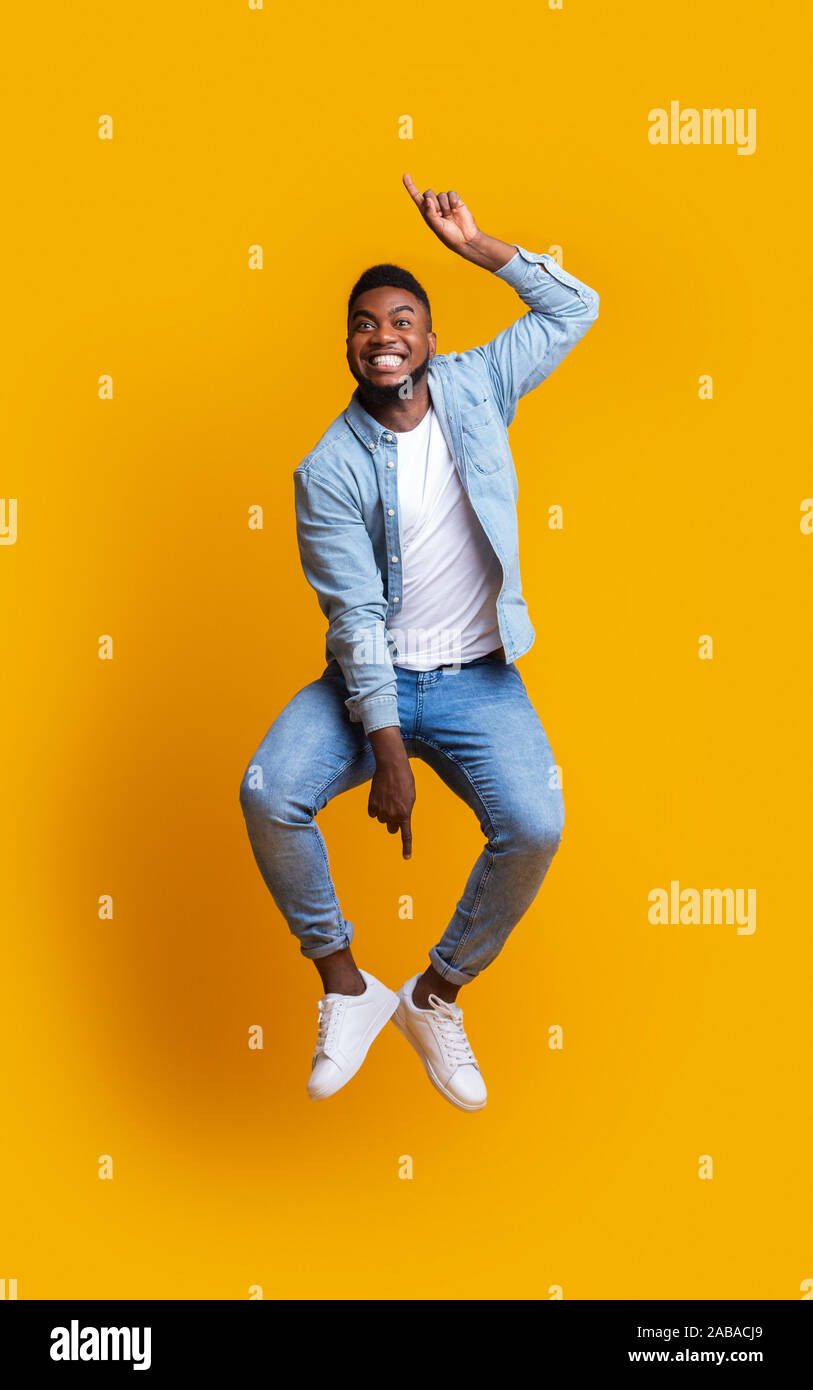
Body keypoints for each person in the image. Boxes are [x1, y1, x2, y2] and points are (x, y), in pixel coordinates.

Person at [239, 173, 599, 1111]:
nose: (384, 336)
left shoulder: (477, 385)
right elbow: (354, 621)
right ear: (348, 344)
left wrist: (476, 247)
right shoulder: (327, 470)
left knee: (535, 824)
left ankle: (433, 998)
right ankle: (346, 988)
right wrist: (386, 751)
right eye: (364, 323)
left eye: (402, 320)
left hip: (479, 677)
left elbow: (575, 307)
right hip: (371, 685)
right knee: (269, 791)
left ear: (430, 338)